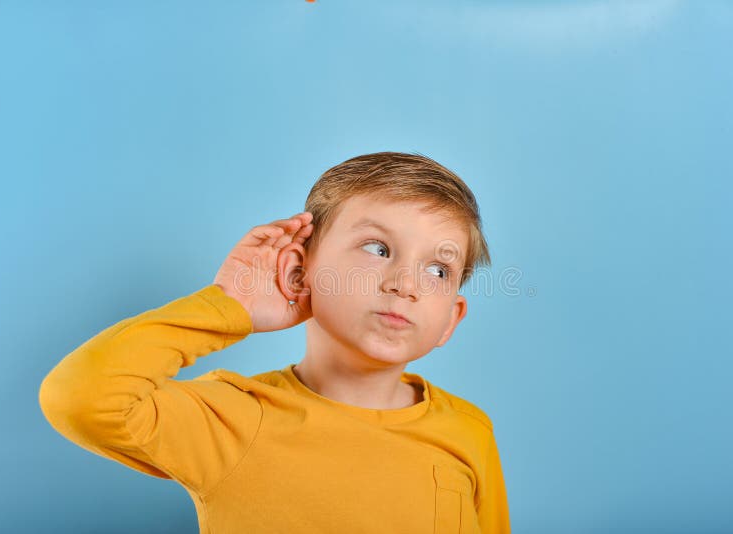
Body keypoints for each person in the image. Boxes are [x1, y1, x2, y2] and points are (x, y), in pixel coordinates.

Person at [39, 151, 511, 533]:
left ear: (451, 319)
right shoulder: (233, 421)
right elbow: (80, 397)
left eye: (438, 269)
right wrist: (229, 307)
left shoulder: (469, 431)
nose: (406, 283)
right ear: (298, 273)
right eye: (377, 248)